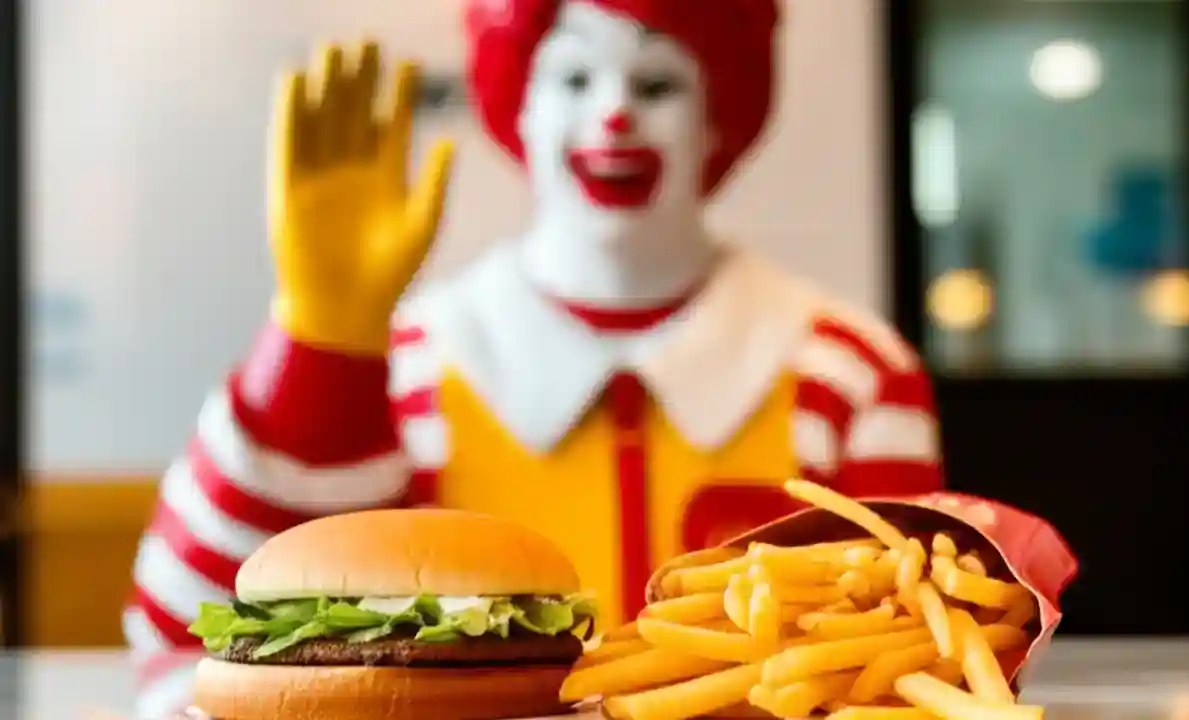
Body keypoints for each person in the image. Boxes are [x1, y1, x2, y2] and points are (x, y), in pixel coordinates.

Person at [127, 0, 943, 656]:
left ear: (720, 115)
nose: (614, 116)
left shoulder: (855, 371)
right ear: (519, 107)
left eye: (657, 85)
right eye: (574, 78)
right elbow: (185, 622)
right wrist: (320, 345)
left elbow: (914, 650)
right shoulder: (411, 367)